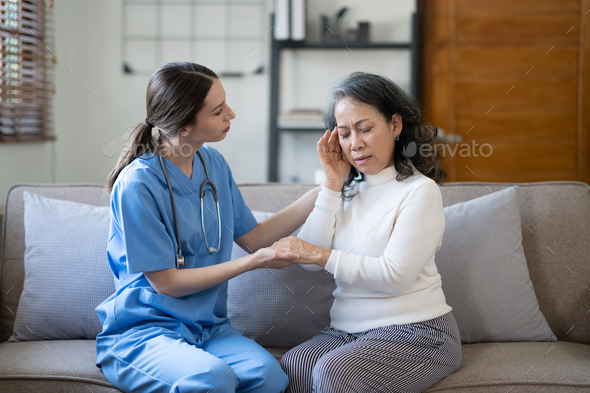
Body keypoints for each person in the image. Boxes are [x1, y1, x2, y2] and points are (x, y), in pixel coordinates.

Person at [95, 62, 321, 393]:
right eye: (218, 112)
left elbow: (254, 238)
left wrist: (323, 191)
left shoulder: (212, 163)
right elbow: (167, 284)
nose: (231, 114)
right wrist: (255, 262)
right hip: (145, 332)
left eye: (225, 103)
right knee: (211, 378)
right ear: (184, 126)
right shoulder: (138, 185)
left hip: (208, 328)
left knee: (269, 377)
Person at [275, 72, 462, 393]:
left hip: (417, 332)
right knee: (296, 364)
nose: (355, 143)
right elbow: (306, 260)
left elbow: (395, 276)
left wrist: (321, 256)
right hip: (347, 331)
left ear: (395, 125)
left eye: (365, 129)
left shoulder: (420, 191)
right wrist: (332, 185)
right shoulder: (345, 190)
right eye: (344, 134)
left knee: (336, 370)